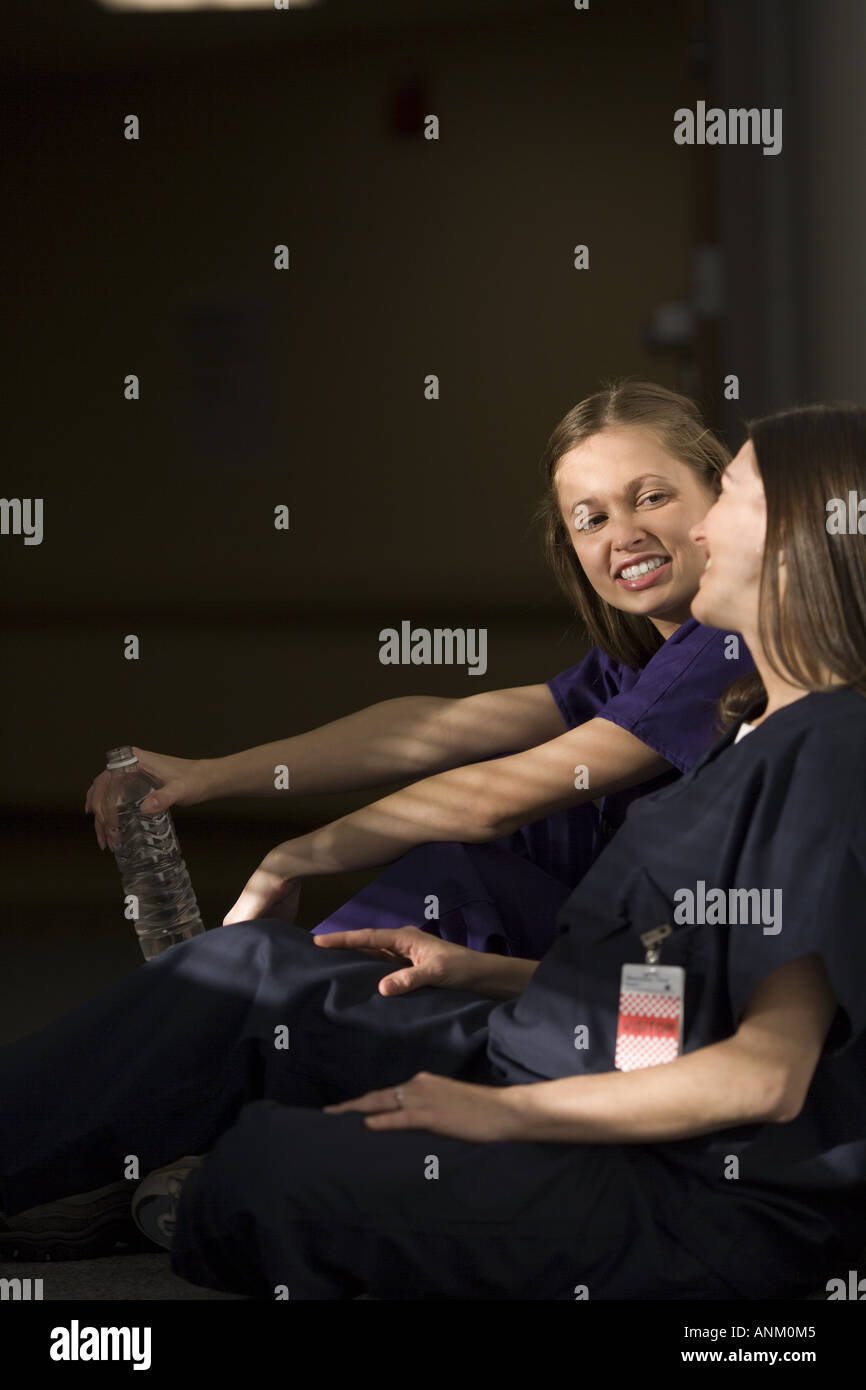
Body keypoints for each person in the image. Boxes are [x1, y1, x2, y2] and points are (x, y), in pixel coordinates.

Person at [2, 401, 865, 1301]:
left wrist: (505, 1109)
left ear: (802, 539)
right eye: (590, 517)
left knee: (259, 1163)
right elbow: (441, 729)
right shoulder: (734, 703)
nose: (688, 523)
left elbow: (755, 1052)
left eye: (711, 495)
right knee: (250, 966)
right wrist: (489, 973)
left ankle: (201, 1148)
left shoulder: (777, 706)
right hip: (574, 1020)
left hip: (604, 1090)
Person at [87, 380, 753, 957]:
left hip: (654, 982)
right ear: (570, 547)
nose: (623, 534)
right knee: (278, 984)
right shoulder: (632, 662)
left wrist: (294, 857)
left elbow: (491, 800)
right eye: (592, 519)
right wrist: (208, 777)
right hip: (596, 959)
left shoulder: (732, 641)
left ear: (717, 494)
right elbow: (438, 727)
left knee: (435, 887)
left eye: (652, 498)